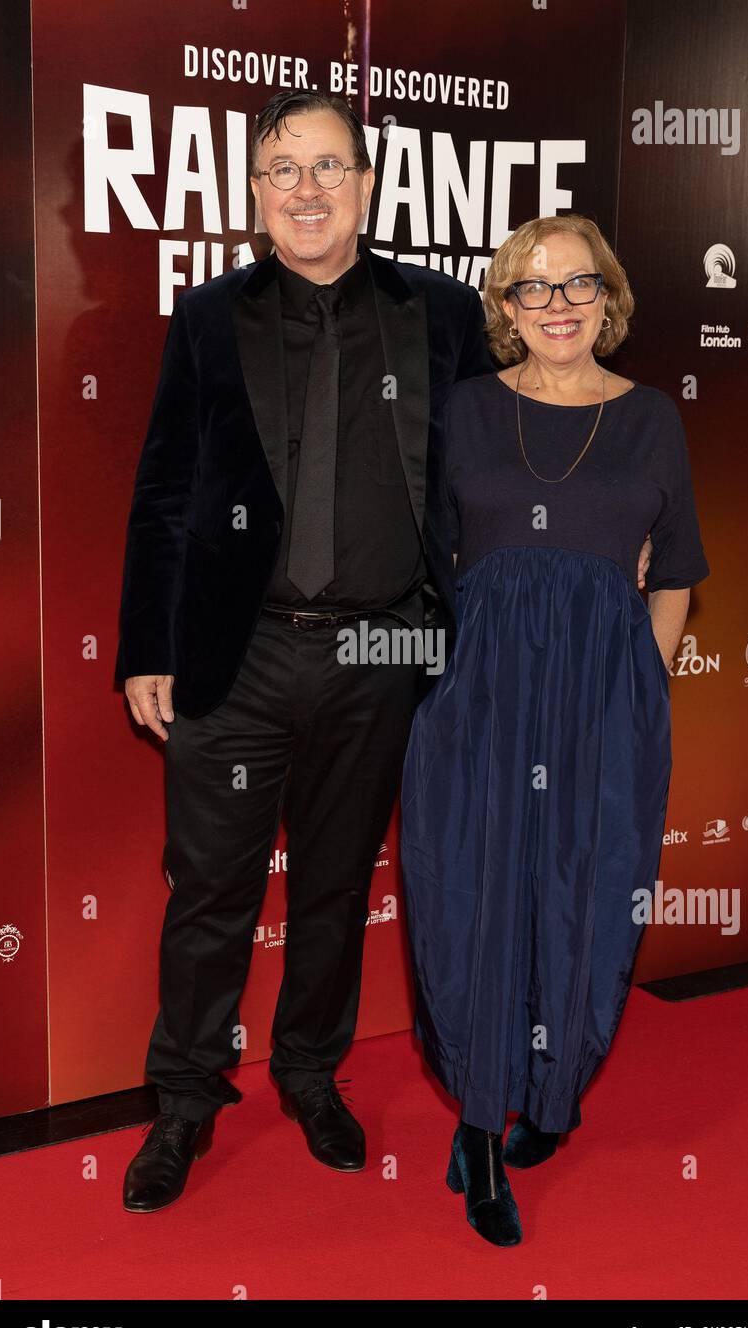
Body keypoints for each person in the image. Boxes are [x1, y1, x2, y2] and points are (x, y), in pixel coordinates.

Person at [115, 89, 495, 1213]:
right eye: (284, 169)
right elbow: (165, 493)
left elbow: (489, 473)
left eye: (330, 167)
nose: (307, 188)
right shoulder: (206, 316)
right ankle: (183, 1101)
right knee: (211, 893)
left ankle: (309, 1072)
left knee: (333, 889)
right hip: (236, 656)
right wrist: (147, 642)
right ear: (256, 195)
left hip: (383, 651)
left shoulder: (442, 314)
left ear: (368, 188)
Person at [399, 214, 709, 1246]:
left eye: (578, 283)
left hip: (600, 706)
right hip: (481, 702)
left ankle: (543, 1084)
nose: (558, 302)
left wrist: (635, 686)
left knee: (577, 896)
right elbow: (430, 567)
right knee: (476, 899)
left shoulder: (653, 417)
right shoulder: (468, 410)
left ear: (609, 299)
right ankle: (482, 1127)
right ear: (506, 308)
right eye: (533, 288)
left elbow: (675, 575)